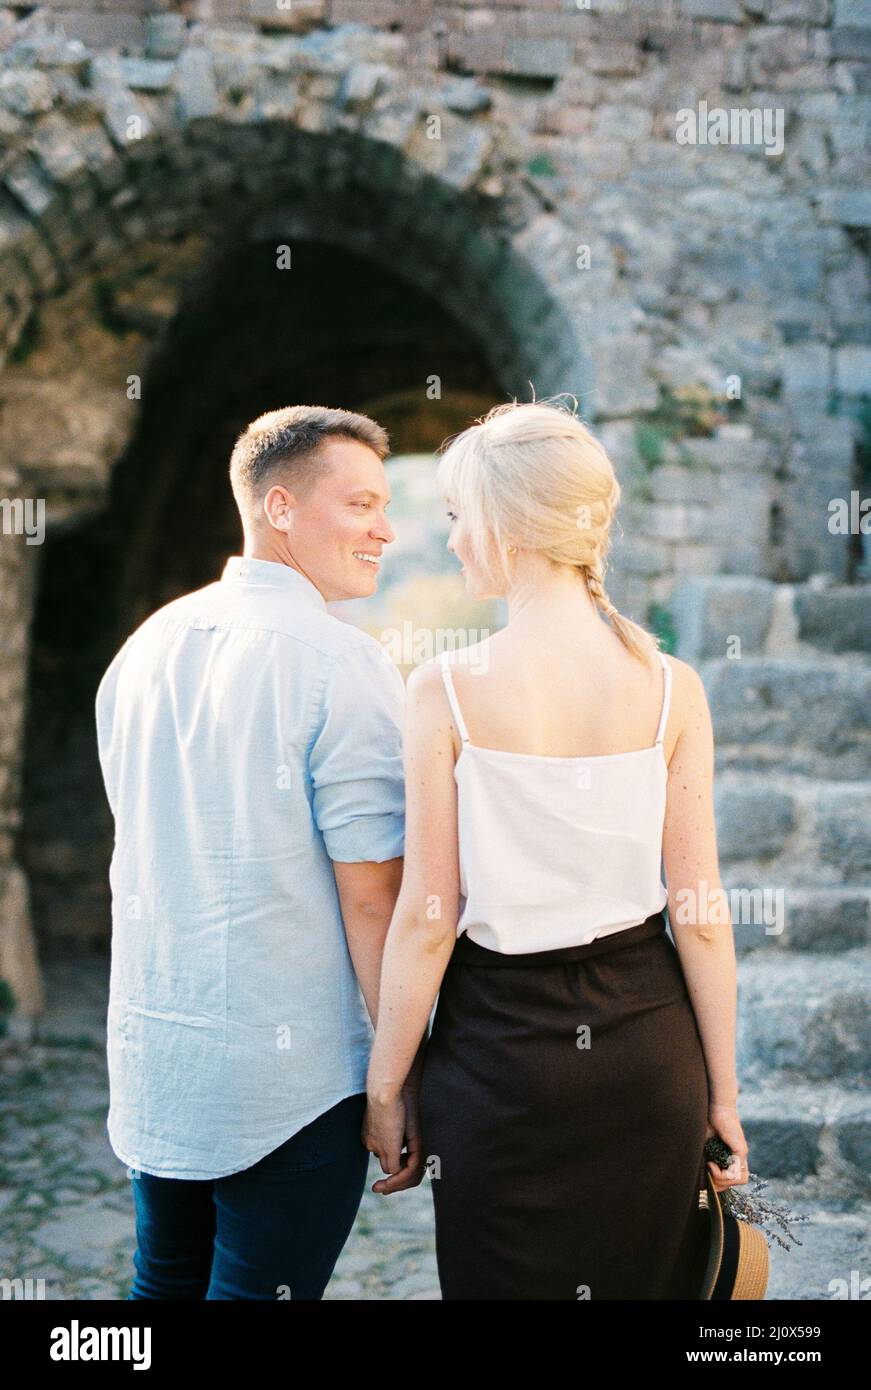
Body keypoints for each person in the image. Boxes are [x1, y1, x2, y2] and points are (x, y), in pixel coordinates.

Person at [364, 398, 749, 1300]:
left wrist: (387, 1087)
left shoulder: (445, 691)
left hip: (500, 1066)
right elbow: (698, 918)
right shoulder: (670, 688)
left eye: (460, 519)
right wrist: (721, 1099)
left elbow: (428, 921)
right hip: (646, 1061)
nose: (453, 540)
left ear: (505, 525)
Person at [95, 404, 422, 1300]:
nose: (385, 528)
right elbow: (370, 899)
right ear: (279, 508)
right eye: (359, 504)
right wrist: (394, 1079)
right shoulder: (341, 663)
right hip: (293, 1083)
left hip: (162, 1055)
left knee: (159, 1290)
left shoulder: (144, 647)